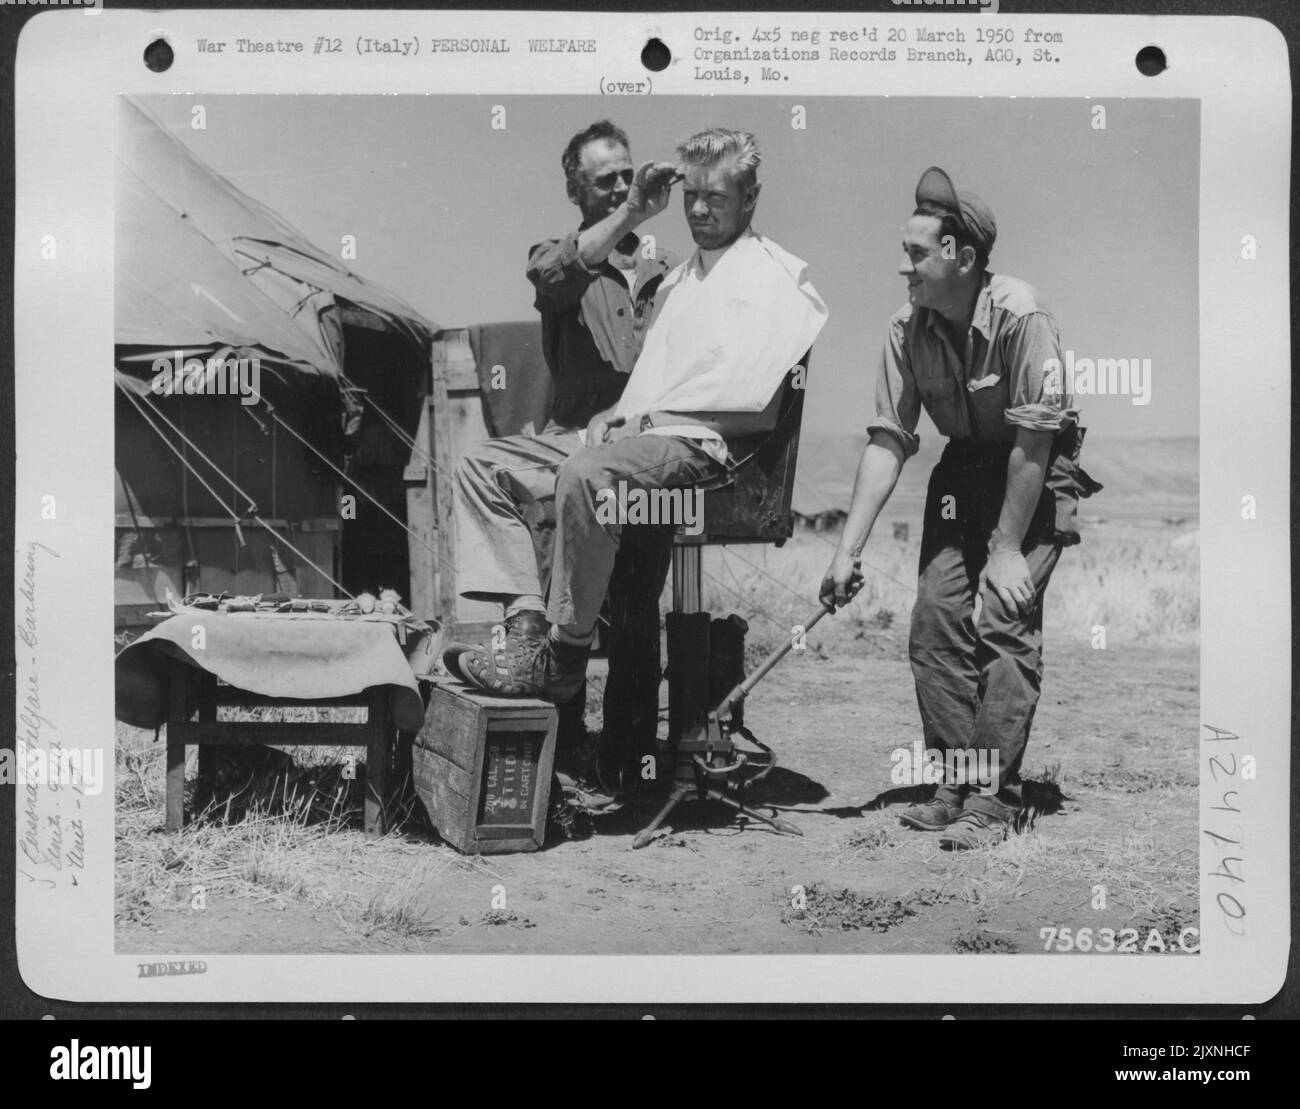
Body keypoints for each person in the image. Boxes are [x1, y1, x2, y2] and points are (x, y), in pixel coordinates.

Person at [449, 128, 827, 721]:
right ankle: (530, 637)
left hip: (669, 453)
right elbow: (563, 280)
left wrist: (639, 417)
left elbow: (756, 407)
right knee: (483, 466)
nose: (697, 209)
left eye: (716, 197)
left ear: (750, 198)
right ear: (575, 189)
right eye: (691, 195)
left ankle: (594, 712)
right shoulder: (574, 260)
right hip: (602, 445)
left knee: (628, 594)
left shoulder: (735, 275)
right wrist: (620, 416)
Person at [820, 166, 1100, 851]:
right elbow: (890, 439)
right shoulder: (904, 328)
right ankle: (956, 780)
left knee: (1003, 621)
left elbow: (1036, 434)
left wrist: (1007, 545)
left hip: (1033, 467)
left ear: (962, 258)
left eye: (917, 254)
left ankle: (994, 799)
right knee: (937, 623)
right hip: (964, 468)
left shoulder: (1022, 314)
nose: (902, 267)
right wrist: (845, 547)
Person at [522, 121, 678, 789]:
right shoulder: (559, 256)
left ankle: (631, 767)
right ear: (574, 190)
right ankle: (558, 765)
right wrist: (628, 214)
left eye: (626, 172)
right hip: (572, 461)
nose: (621, 184)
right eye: (604, 179)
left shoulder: (666, 267)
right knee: (567, 614)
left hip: (642, 456)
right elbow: (556, 276)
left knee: (640, 612)